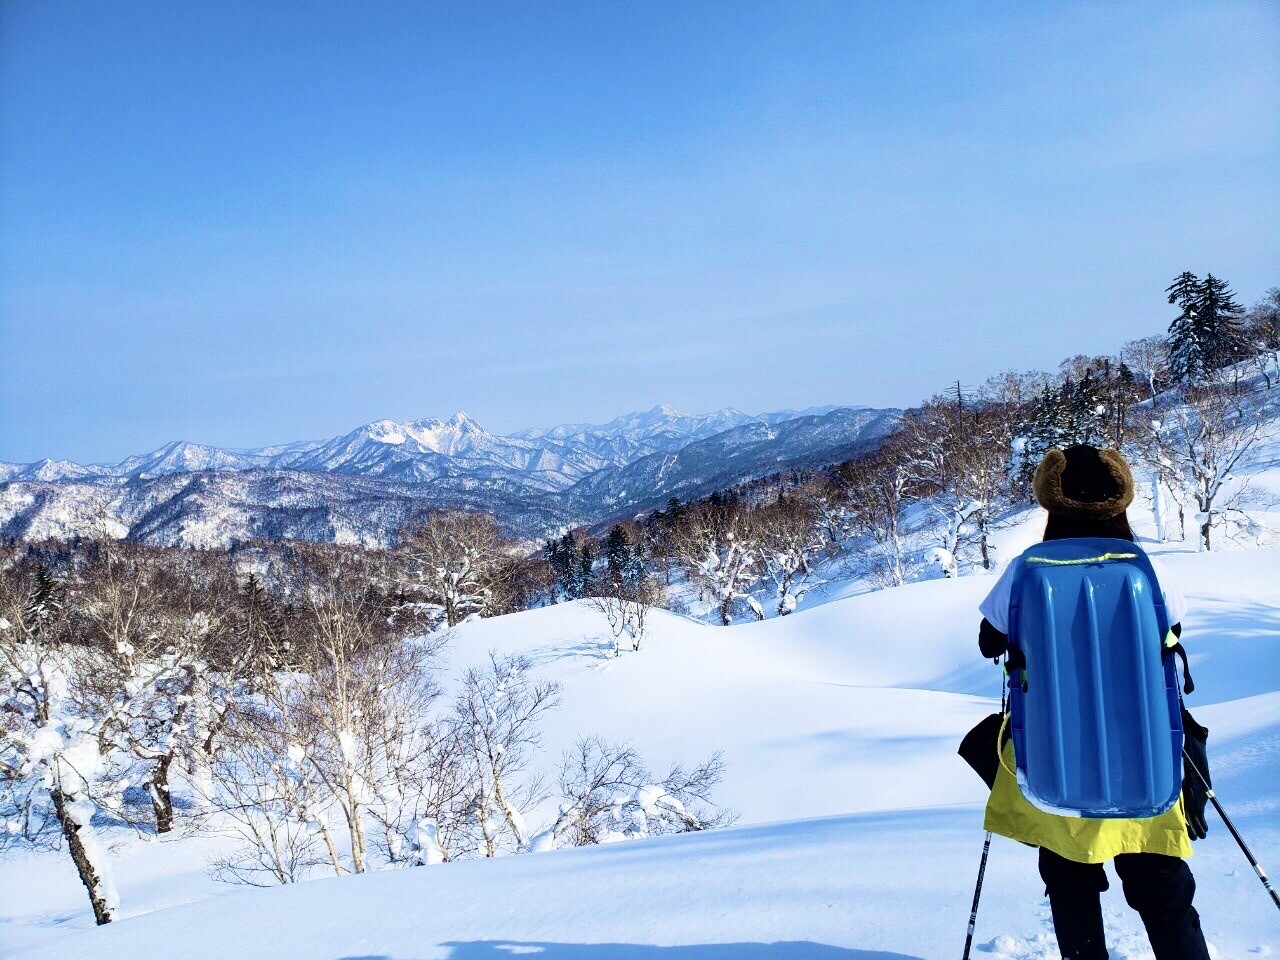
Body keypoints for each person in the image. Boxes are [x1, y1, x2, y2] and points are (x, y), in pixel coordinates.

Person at [976, 444, 1210, 960]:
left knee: (1070, 881)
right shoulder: (1146, 568)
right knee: (1163, 888)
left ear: (1051, 503)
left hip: (1055, 748)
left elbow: (989, 640)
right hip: (1147, 749)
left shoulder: (1025, 570)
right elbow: (1170, 632)